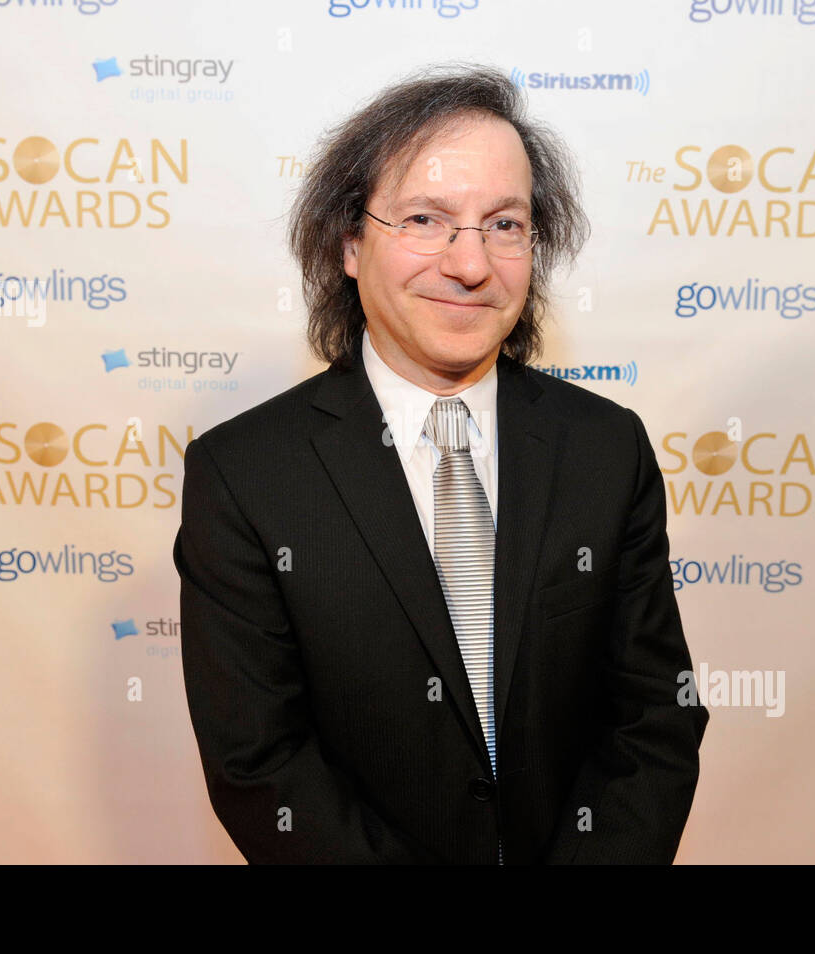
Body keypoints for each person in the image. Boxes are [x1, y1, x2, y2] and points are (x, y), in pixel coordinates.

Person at [174, 63, 708, 864]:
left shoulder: (605, 449)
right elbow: (260, 765)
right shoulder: (246, 476)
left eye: (504, 225)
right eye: (425, 219)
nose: (470, 265)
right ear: (350, 244)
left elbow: (653, 720)